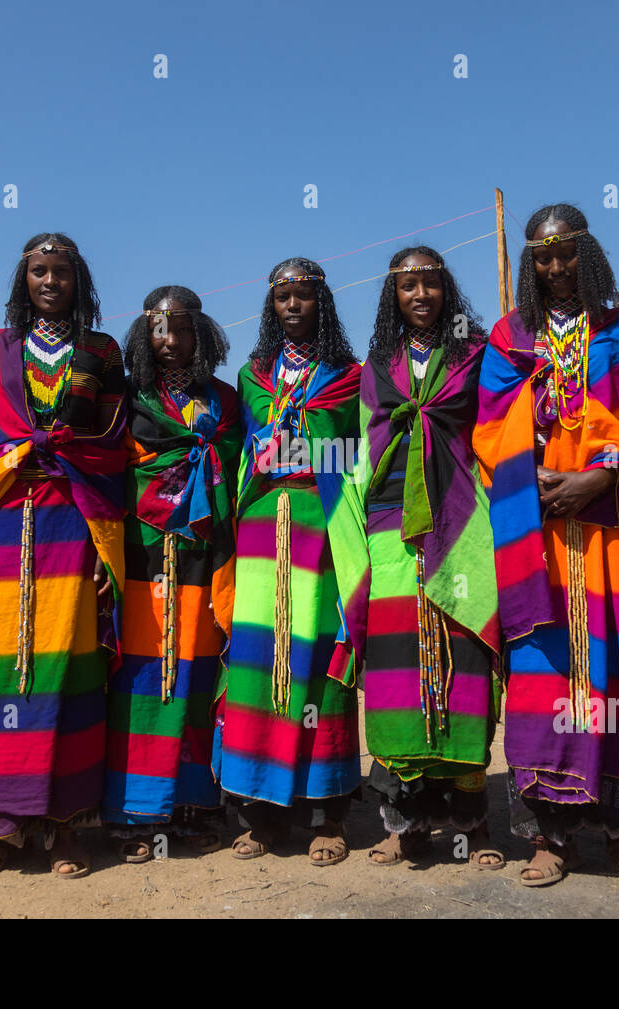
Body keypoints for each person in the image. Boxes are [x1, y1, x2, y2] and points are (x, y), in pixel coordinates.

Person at [474, 205, 619, 890]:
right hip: (538, 534)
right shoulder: (509, 334)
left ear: (589, 254)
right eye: (541, 256)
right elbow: (489, 425)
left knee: (618, 670)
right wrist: (538, 472)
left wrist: (599, 474)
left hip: (606, 525)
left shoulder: (616, 330)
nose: (554, 268)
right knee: (545, 673)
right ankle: (549, 834)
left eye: (566, 253)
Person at [0, 233, 127, 880]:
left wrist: (104, 544)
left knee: (69, 671)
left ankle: (67, 829)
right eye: (38, 272)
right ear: (23, 281)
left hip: (72, 522)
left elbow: (112, 441)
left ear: (79, 279)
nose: (49, 282)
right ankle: (2, 828)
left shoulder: (101, 351)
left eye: (61, 272)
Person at [346, 247, 503, 869]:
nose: (419, 294)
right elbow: (364, 444)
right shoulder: (377, 365)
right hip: (389, 522)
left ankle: (472, 819)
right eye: (407, 285)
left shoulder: (473, 353)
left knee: (463, 659)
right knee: (397, 672)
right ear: (393, 295)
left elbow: (491, 428)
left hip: (462, 516)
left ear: (445, 290)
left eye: (430, 283)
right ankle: (403, 821)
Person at [215, 257, 362, 867]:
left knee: (316, 665)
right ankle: (260, 816)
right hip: (258, 529)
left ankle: (325, 813)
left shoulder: (349, 376)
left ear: (322, 303)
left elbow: (350, 451)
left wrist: (306, 447)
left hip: (319, 525)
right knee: (255, 666)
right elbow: (247, 449)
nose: (294, 306)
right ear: (271, 308)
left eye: (304, 296)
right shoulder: (253, 376)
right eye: (283, 298)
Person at [103, 286, 241, 860]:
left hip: (204, 555)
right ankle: (135, 813)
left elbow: (239, 470)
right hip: (140, 551)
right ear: (142, 335)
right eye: (158, 329)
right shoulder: (125, 399)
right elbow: (108, 476)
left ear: (201, 334)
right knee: (138, 676)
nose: (169, 341)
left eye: (180, 329)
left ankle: (190, 807)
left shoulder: (228, 403)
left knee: (195, 672)